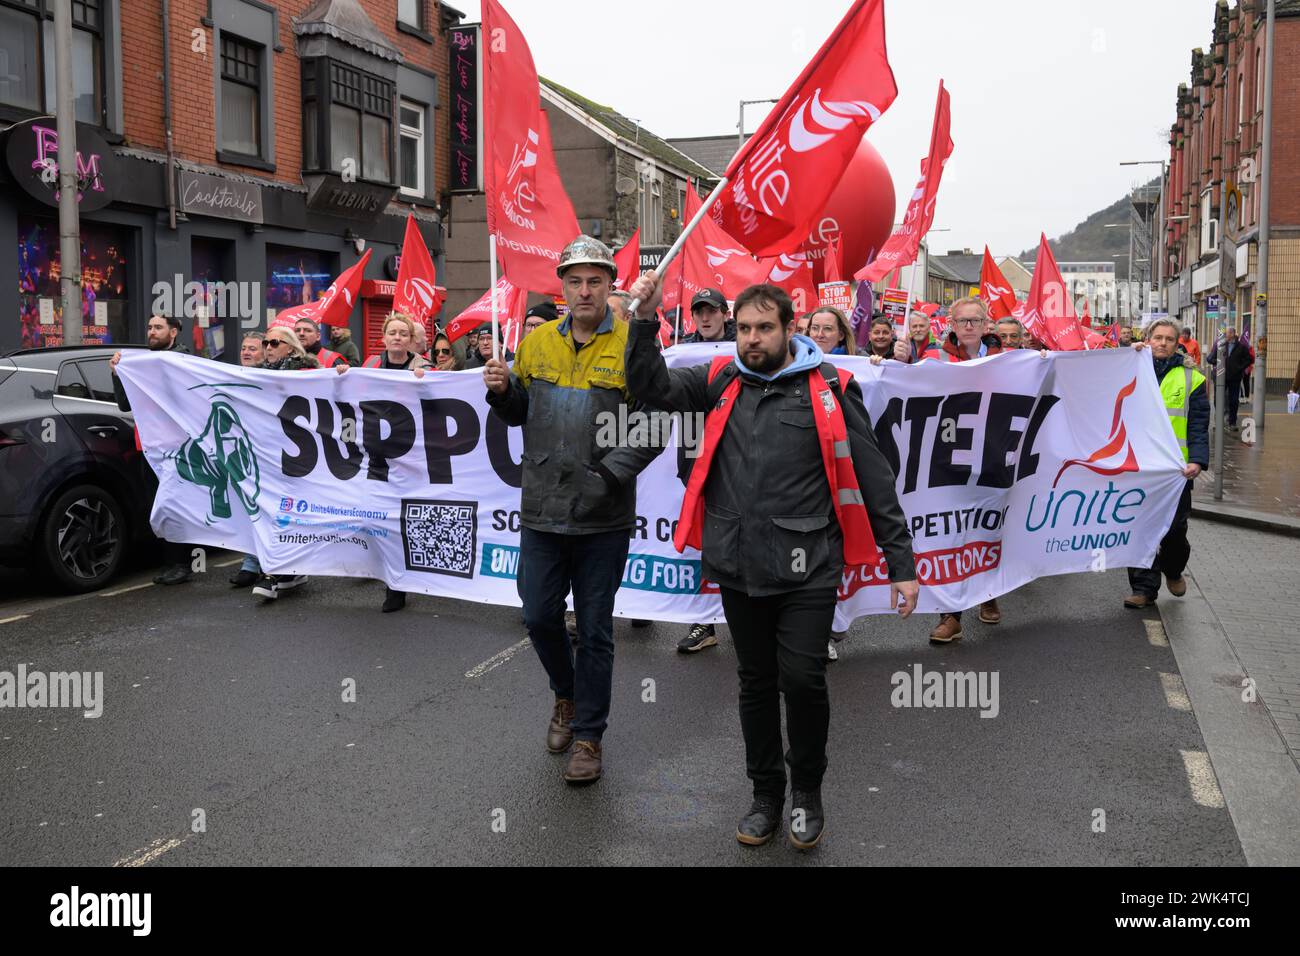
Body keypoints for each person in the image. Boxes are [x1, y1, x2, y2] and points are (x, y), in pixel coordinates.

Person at [625, 276, 919, 850]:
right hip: (737, 563)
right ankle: (765, 796)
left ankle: (806, 793)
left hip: (809, 565)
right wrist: (643, 320)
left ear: (791, 330)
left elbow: (873, 475)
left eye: (765, 328)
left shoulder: (831, 385)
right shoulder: (718, 379)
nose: (753, 339)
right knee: (755, 682)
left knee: (803, 679)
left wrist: (900, 563)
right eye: (745, 329)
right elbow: (649, 387)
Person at [482, 235, 662, 785]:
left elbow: (654, 425)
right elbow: (519, 414)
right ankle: (566, 693)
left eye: (595, 281)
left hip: (602, 518)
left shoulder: (633, 344)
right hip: (542, 510)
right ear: (561, 287)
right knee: (537, 615)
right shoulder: (535, 346)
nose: (584, 290)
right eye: (575, 281)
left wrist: (607, 475)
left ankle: (588, 735)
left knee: (596, 629)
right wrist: (501, 392)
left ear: (611, 286)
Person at [930, 298, 1005, 643]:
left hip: (995, 456)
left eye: (976, 320)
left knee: (988, 530)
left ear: (987, 324)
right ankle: (951, 615)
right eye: (963, 320)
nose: (970, 326)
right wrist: (890, 363)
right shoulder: (934, 357)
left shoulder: (1010, 359)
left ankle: (988, 592)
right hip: (949, 459)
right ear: (952, 323)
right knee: (951, 535)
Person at [1124, 319, 1208, 608]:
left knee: (1174, 531)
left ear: (1177, 343)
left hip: (1176, 471)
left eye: (1169, 339)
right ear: (1147, 339)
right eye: (1157, 337)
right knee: (1137, 528)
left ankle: (1173, 569)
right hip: (1138, 468)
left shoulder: (1192, 378)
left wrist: (1197, 460)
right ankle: (1144, 588)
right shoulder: (1130, 366)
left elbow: (1198, 424)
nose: (1162, 343)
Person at [109, 314, 196, 586]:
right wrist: (117, 375)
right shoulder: (140, 364)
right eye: (149, 327)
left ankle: (181, 564)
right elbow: (125, 405)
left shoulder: (185, 361)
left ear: (173, 332)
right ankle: (170, 561)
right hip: (147, 446)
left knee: (174, 503)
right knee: (158, 503)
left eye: (158, 327)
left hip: (177, 447)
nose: (152, 332)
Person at [677, 288, 739, 653]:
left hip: (734, 454)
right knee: (703, 540)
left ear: (724, 314)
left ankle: (749, 618)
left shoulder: (745, 344)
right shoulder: (681, 350)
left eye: (711, 311)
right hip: (693, 453)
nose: (705, 318)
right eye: (699, 311)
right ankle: (704, 622)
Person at [354, 313, 429, 612]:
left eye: (403, 333)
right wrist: (342, 374)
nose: (397, 338)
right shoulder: (370, 365)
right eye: (392, 333)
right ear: (383, 338)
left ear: (411, 340)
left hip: (413, 458)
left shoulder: (425, 368)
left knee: (404, 523)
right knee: (376, 518)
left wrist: (430, 383)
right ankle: (391, 579)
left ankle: (398, 585)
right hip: (377, 456)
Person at [248, 329, 318, 599]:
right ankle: (279, 570)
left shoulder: (309, 373)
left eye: (274, 343)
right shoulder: (256, 375)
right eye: (265, 343)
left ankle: (282, 571)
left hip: (302, 456)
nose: (267, 347)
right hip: (268, 455)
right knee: (272, 512)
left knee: (293, 514)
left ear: (290, 348)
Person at [1206, 327, 1254, 430]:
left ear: (1232, 334)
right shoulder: (1220, 345)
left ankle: (1232, 422)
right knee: (1218, 399)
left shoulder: (1241, 347)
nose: (1225, 335)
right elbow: (1209, 358)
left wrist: (1240, 368)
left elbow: (1249, 359)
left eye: (1226, 333)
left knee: (1233, 400)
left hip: (1234, 377)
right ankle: (1218, 421)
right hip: (1220, 376)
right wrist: (1218, 362)